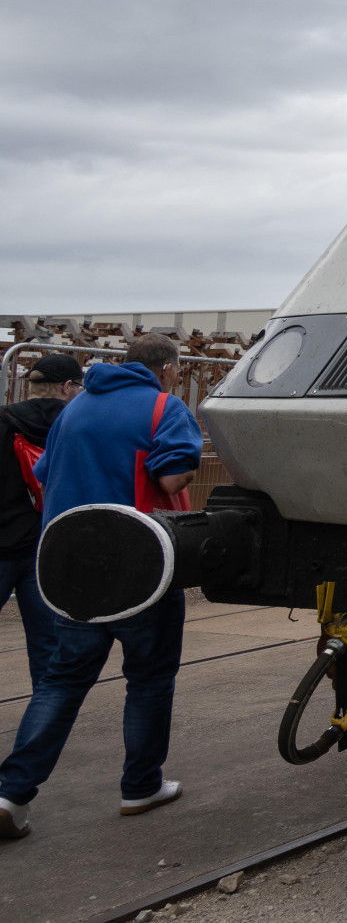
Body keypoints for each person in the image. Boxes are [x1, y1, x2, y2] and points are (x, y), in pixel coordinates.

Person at [0, 334, 202, 840]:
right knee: (150, 678)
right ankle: (140, 787)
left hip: (68, 566)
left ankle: (12, 794)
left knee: (62, 682)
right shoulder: (164, 406)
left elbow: (45, 473)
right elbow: (175, 479)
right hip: (140, 565)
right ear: (169, 370)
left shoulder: (75, 408)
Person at [0, 355, 84, 691]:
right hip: (47, 551)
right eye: (78, 386)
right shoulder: (78, 426)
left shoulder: (3, 421)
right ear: (66, 387)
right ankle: (42, 730)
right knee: (48, 647)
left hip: (2, 545)